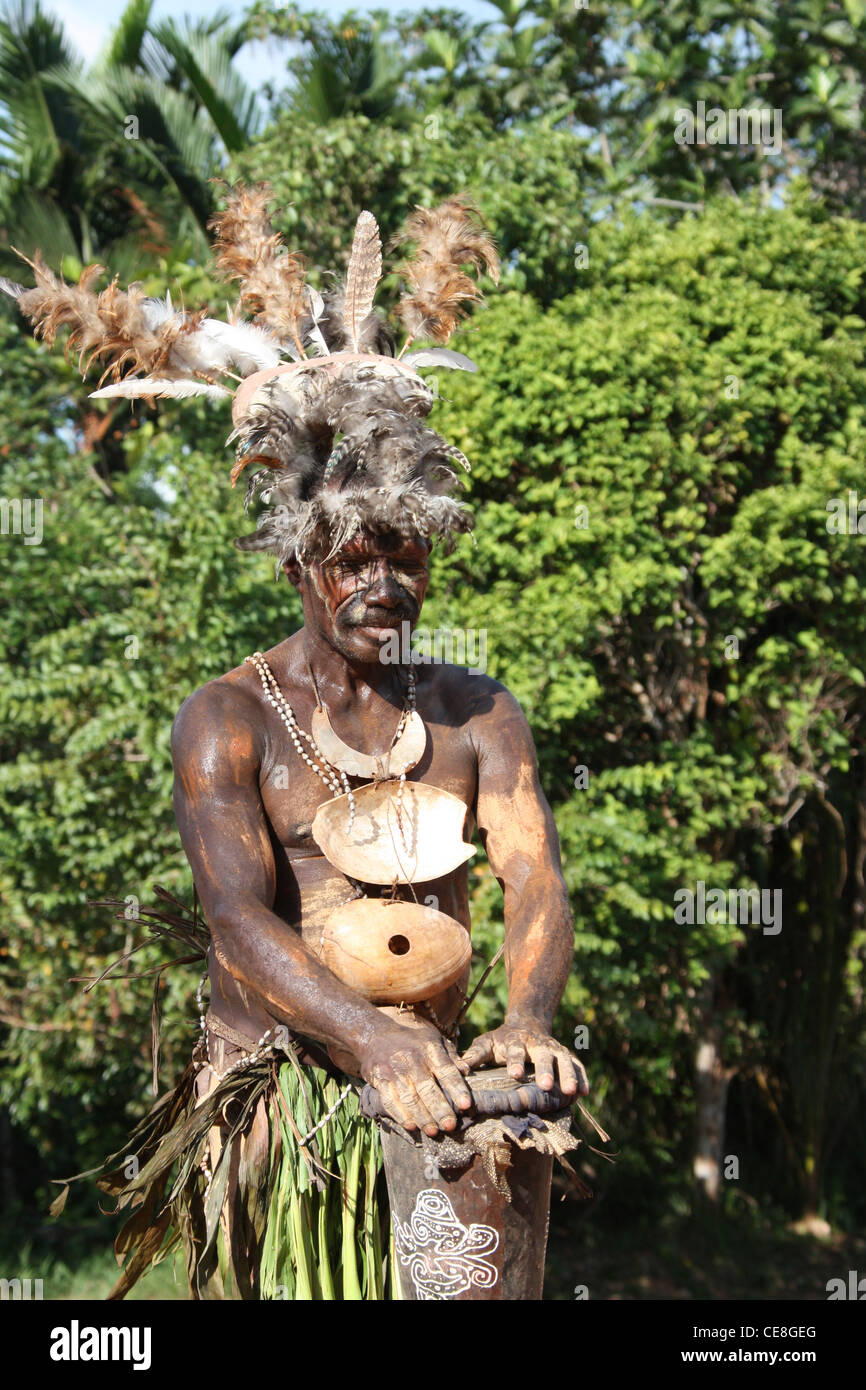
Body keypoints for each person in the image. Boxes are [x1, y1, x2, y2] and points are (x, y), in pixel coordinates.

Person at [5, 184, 593, 1300]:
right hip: (289, 1107)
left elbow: (530, 874)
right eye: (352, 558)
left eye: (405, 556)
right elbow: (234, 918)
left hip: (447, 1098)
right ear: (297, 562)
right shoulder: (228, 716)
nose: (384, 582)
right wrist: (369, 1042)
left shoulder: (477, 712)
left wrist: (524, 1022)